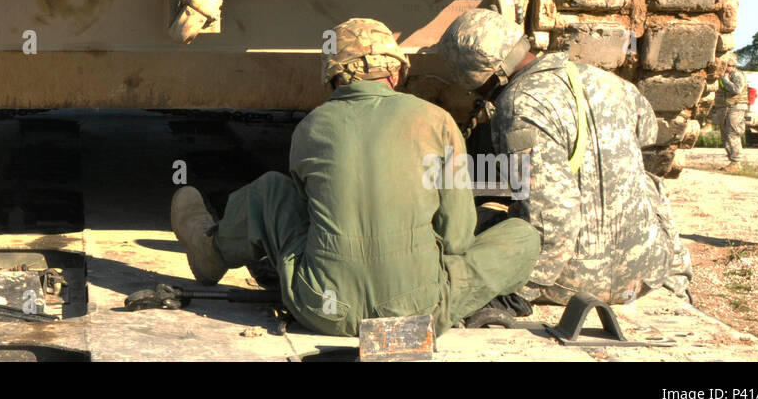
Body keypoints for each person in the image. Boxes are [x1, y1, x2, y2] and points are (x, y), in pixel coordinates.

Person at [170, 17, 540, 337]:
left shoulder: (311, 127)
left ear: (333, 78)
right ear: (395, 72)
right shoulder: (438, 122)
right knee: (521, 236)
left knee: (270, 190)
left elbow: (304, 216)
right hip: (418, 312)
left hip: (322, 309)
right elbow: (457, 237)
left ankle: (210, 253)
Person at [434, 8, 692, 305]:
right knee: (646, 182)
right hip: (646, 271)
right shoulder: (612, 83)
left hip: (573, 285)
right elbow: (646, 135)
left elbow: (554, 213)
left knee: (484, 219)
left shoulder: (518, 105)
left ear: (485, 77)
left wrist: (522, 290)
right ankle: (676, 272)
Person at [714, 55, 749, 168]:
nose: (726, 68)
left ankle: (736, 161)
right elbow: (723, 87)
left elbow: (737, 89)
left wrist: (725, 79)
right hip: (725, 107)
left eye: (728, 65)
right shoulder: (724, 76)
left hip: (736, 106)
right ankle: (732, 161)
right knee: (725, 134)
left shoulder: (737, 75)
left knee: (732, 133)